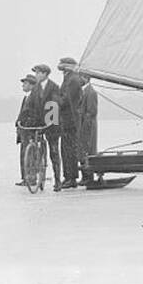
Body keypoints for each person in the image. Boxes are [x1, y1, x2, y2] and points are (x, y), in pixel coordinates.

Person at [30, 63, 64, 191]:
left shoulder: (54, 87)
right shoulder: (35, 88)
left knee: (54, 152)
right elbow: (30, 105)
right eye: (36, 73)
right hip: (40, 122)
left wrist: (50, 121)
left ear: (45, 74)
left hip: (52, 124)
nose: (36, 75)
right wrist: (22, 119)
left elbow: (55, 104)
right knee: (38, 149)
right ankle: (39, 176)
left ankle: (57, 180)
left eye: (38, 73)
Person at [58, 57, 82, 189]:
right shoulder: (70, 78)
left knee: (69, 150)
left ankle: (71, 178)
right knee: (66, 149)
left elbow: (66, 100)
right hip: (67, 120)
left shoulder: (73, 80)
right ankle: (68, 176)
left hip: (70, 120)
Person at [14, 72, 37, 186]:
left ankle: (31, 178)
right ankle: (25, 177)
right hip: (24, 129)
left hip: (29, 129)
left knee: (30, 154)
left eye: (25, 84)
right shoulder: (27, 97)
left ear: (32, 85)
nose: (23, 86)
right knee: (24, 153)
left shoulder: (34, 97)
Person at [78, 73, 99, 185]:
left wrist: (84, 126)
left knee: (88, 150)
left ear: (85, 78)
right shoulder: (83, 91)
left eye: (80, 77)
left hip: (88, 126)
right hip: (83, 126)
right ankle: (85, 176)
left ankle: (88, 177)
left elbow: (91, 112)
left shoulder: (91, 92)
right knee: (82, 151)